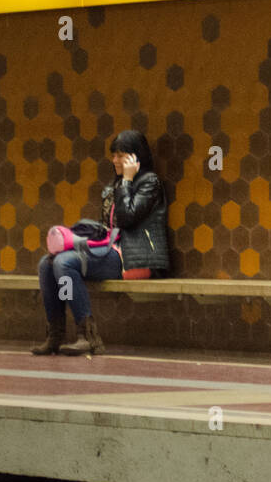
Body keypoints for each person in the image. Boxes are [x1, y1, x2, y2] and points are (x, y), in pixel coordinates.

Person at [32, 129, 170, 356]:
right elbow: (107, 227)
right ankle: (55, 334)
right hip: (111, 251)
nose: (115, 160)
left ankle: (87, 336)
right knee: (47, 264)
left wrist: (127, 180)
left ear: (136, 157)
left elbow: (127, 217)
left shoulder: (149, 182)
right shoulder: (113, 187)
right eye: (113, 155)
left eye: (121, 155)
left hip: (136, 258)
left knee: (64, 264)